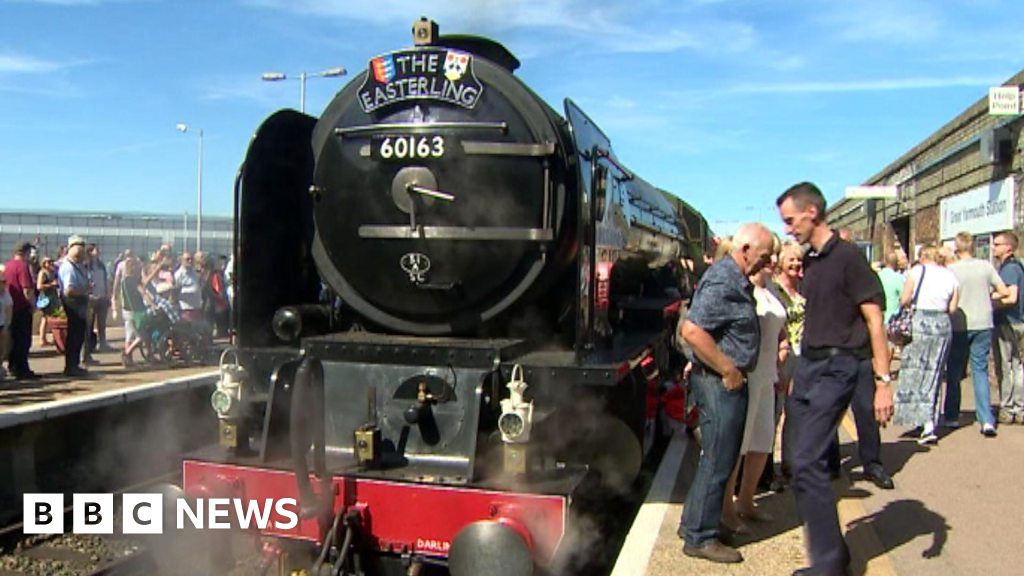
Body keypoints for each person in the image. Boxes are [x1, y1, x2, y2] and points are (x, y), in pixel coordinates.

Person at [776, 182, 893, 576]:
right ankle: (835, 556)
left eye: (790, 220)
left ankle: (828, 567)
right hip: (808, 367)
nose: (788, 228)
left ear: (812, 212)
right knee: (798, 462)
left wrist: (883, 382)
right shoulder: (810, 261)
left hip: (838, 366)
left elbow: (874, 320)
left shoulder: (848, 258)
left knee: (809, 462)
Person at [677, 222, 774, 565]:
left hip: (722, 381)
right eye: (765, 255)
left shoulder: (734, 278)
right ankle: (700, 537)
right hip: (720, 383)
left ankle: (694, 523)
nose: (769, 262)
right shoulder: (724, 279)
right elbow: (692, 331)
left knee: (716, 458)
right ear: (745, 250)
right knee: (719, 459)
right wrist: (728, 369)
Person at [721, 234, 788, 534]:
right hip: (746, 373)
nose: (773, 260)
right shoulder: (740, 285)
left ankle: (746, 500)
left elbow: (778, 327)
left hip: (768, 374)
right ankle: (726, 508)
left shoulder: (770, 288)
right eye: (769, 254)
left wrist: (783, 345)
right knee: (739, 443)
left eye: (775, 254)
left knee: (762, 441)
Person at [944, 232, 1009, 435]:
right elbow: (1004, 291)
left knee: (954, 372)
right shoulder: (986, 266)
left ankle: (952, 416)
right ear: (973, 247)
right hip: (983, 322)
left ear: (957, 248)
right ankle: (986, 419)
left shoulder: (951, 270)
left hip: (959, 324)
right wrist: (989, 296)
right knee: (980, 370)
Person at [893, 245, 958, 444]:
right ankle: (927, 421)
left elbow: (905, 299)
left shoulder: (916, 271)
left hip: (920, 322)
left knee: (915, 371)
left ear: (922, 256)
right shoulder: (950, 275)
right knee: (934, 373)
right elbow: (952, 308)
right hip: (942, 324)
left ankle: (924, 423)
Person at [992, 230, 1024, 425]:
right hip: (1016, 321)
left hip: (1008, 322)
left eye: (997, 244)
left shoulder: (1010, 269)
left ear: (1008, 248)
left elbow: (1011, 297)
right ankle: (1019, 409)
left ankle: (1009, 408)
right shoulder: (1015, 266)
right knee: (1016, 366)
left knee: (1008, 366)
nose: (994, 247)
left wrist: (991, 300)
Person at [3, 242, 39, 380]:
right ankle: (22, 369)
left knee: (13, 339)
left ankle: (13, 366)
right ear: (26, 252)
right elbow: (27, 290)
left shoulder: (7, 266)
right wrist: (33, 305)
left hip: (10, 307)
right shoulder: (23, 266)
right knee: (23, 340)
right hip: (22, 308)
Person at [58, 235, 92, 378]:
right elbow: (69, 290)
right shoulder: (68, 267)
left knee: (78, 335)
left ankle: (74, 364)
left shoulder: (77, 266)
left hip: (79, 303)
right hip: (73, 303)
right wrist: (85, 289)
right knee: (75, 336)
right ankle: (71, 366)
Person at [877, 250, 907, 324]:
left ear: (885, 261)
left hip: (879, 318)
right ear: (897, 263)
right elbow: (905, 298)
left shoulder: (877, 276)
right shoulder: (899, 278)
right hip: (893, 319)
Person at [35, 257, 60, 347]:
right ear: (44, 263)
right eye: (48, 262)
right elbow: (39, 286)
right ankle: (42, 339)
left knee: (54, 317)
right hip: (45, 298)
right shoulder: (43, 273)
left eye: (51, 261)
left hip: (53, 297)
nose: (51, 263)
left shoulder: (53, 272)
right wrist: (51, 284)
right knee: (45, 318)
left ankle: (55, 338)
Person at [0, 267, 12, 381]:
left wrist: (6, 326)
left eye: (4, 281)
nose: (3, 284)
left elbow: (9, 308)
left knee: (3, 349)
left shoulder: (5, 294)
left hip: (2, 324)